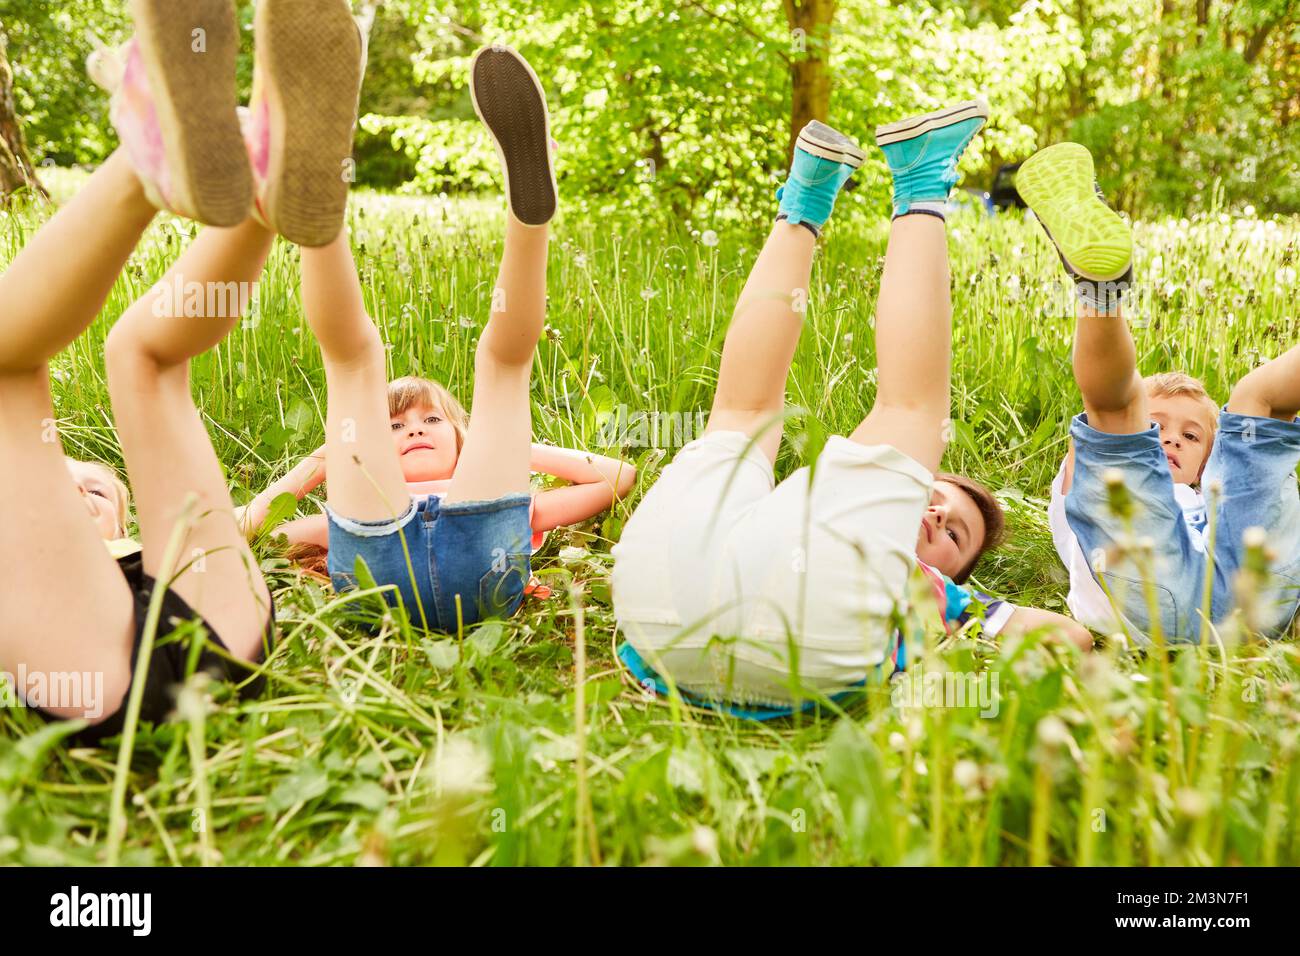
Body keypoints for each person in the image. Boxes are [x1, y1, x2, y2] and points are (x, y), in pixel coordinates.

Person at [612, 101, 1091, 716]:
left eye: (953, 535)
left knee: (881, 410)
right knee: (747, 412)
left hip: (665, 612)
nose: (935, 517)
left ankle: (865, 191)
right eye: (938, 500)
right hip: (665, 612)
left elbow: (1067, 635)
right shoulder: (778, 520)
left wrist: (961, 630)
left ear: (952, 576)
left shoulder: (938, 598)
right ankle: (832, 192)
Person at [1020, 141, 1300, 643]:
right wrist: (1133, 433)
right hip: (1154, 592)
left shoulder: (1211, 493)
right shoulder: (1084, 491)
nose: (1169, 440)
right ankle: (1097, 288)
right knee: (1115, 412)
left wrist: (1149, 432)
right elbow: (1110, 410)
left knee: (1256, 398)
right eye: (1157, 428)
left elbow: (1132, 419)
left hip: (1245, 570)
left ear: (1210, 465)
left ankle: (1098, 287)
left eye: (1192, 437)